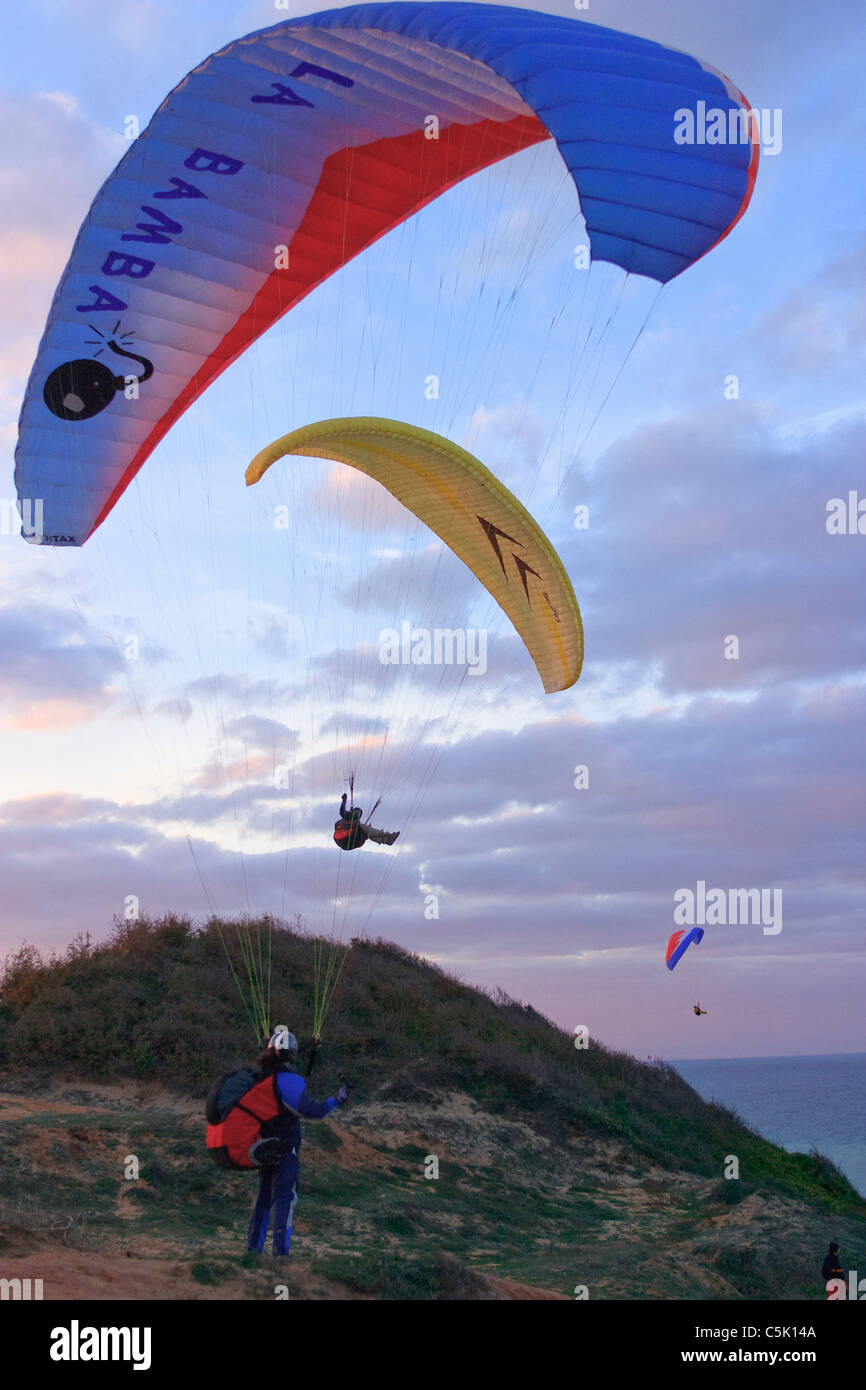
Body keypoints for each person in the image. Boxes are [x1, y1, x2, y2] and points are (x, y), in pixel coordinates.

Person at [247, 1026, 348, 1259]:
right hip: (285, 1149)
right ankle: (281, 1256)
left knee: (263, 1201)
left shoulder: (261, 1076)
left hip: (264, 1148)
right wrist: (338, 1100)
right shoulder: (288, 1081)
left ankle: (252, 1254)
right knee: (285, 1198)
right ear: (291, 1055)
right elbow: (314, 1110)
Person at [333, 791, 400, 850]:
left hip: (348, 841)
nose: (357, 815)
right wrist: (344, 800)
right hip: (343, 839)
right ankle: (386, 836)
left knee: (366, 832)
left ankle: (387, 840)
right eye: (356, 813)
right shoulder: (348, 817)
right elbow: (342, 811)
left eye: (359, 815)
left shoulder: (356, 826)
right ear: (352, 812)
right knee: (364, 828)